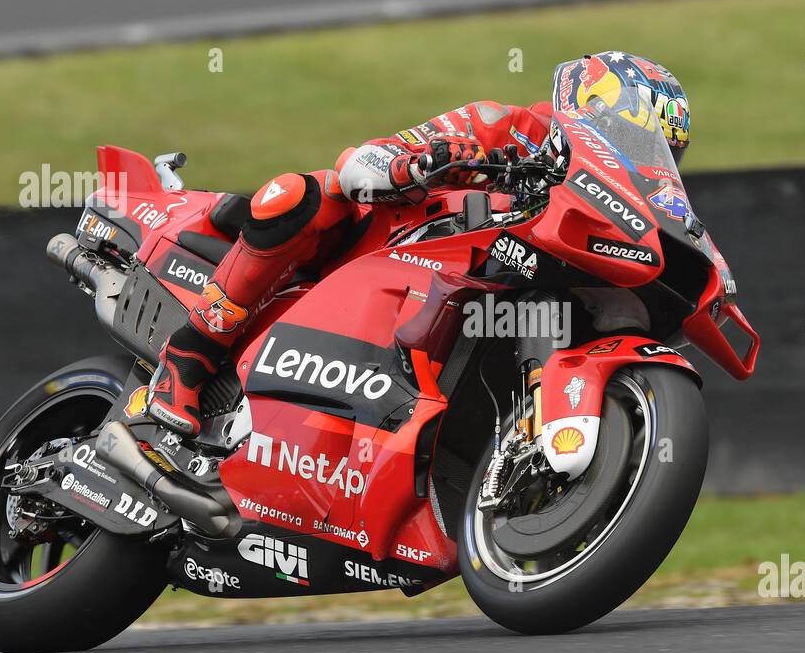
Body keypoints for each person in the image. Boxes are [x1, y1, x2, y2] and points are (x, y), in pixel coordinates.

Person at [143, 51, 691, 436]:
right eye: (634, 138)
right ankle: (188, 357)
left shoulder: (608, 204)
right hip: (370, 254)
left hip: (470, 295)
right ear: (592, 109)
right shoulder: (508, 126)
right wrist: (418, 164)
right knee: (303, 195)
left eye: (660, 151)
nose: (639, 159)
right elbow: (361, 163)